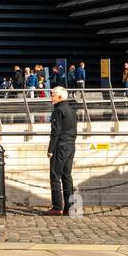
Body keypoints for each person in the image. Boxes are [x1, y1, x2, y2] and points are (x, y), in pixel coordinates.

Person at [46, 86, 78, 216]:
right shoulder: (72, 110)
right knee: (67, 176)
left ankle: (57, 206)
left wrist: (50, 149)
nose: (51, 98)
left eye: (53, 95)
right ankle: (69, 208)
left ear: (59, 97)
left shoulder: (58, 110)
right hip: (71, 145)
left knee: (55, 176)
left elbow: (55, 132)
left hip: (60, 146)